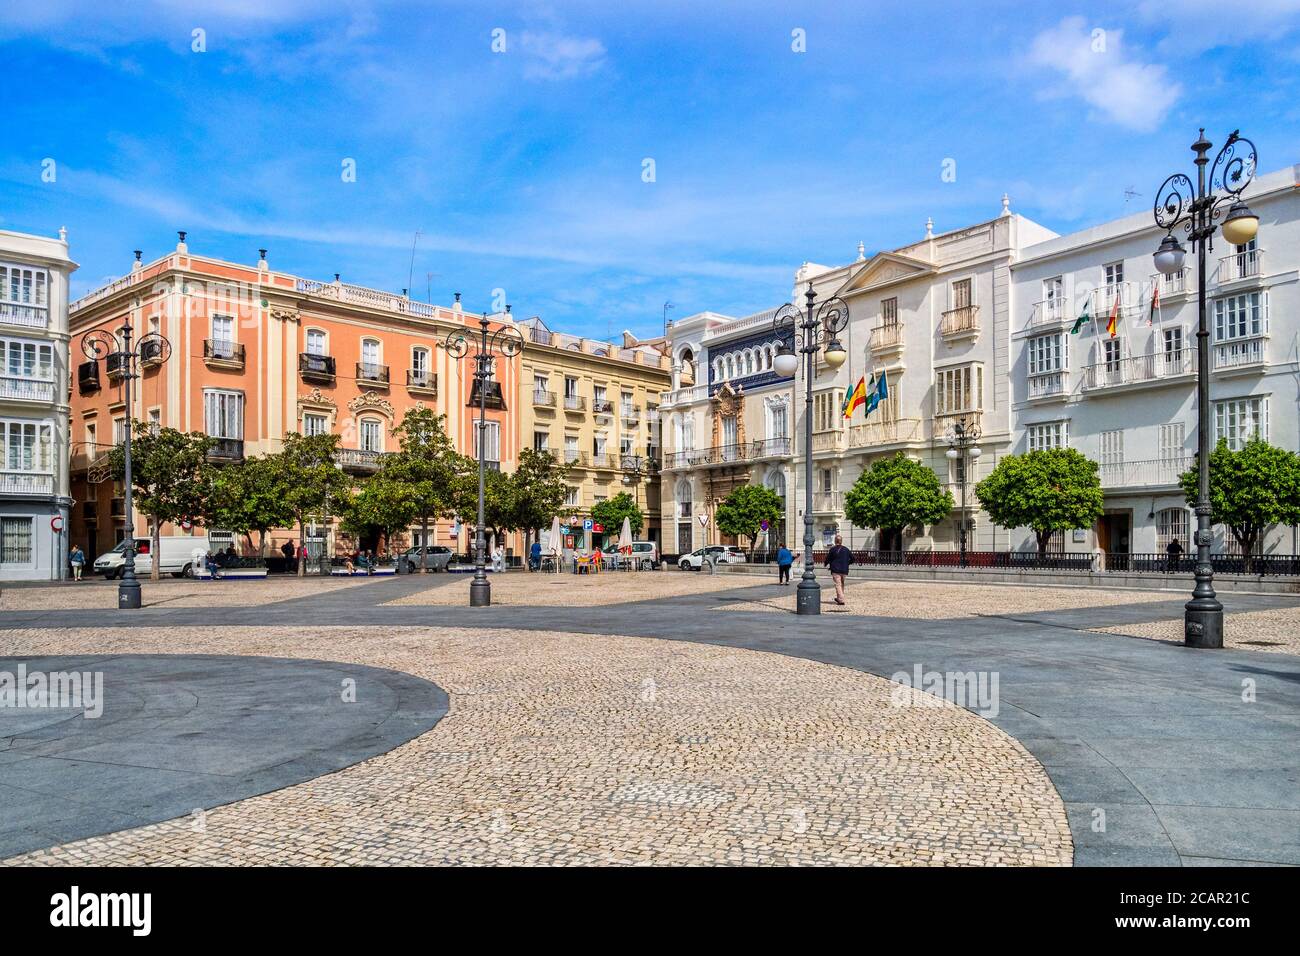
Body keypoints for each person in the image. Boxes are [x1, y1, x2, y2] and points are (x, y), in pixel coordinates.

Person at [824, 534, 854, 605]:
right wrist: (847, 563)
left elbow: (828, 558)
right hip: (844, 570)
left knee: (838, 584)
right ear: (841, 541)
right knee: (841, 584)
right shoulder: (846, 549)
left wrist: (825, 563)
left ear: (835, 541)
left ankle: (841, 599)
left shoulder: (833, 549)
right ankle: (839, 597)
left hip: (836, 570)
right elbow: (853, 559)